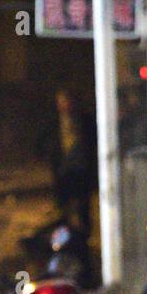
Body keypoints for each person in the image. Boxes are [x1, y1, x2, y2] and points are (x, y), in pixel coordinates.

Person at [37, 89, 97, 236]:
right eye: (62, 102)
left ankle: (84, 234)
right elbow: (42, 140)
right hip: (62, 169)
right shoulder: (53, 121)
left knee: (83, 204)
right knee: (63, 204)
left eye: (68, 102)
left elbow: (93, 139)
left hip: (81, 167)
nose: (66, 105)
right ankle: (66, 234)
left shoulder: (84, 119)